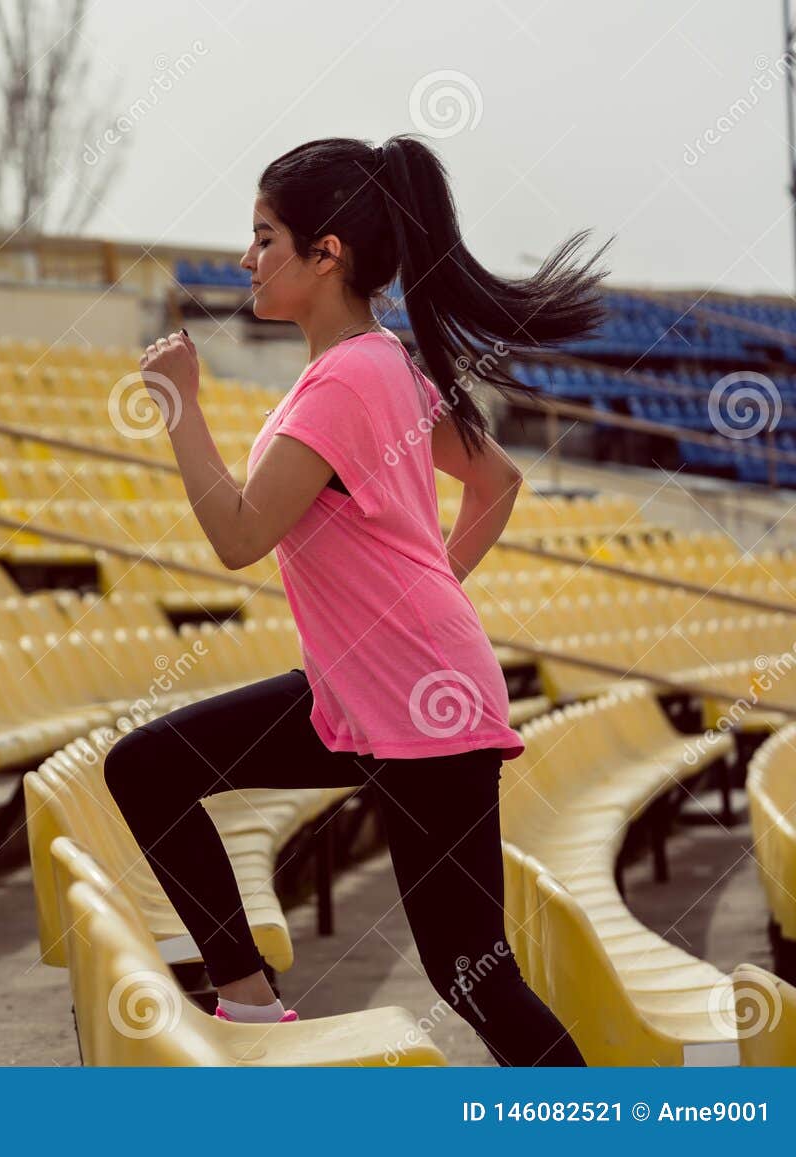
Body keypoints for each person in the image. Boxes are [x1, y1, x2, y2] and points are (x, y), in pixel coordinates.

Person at [103, 134, 607, 1066]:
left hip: (421, 708)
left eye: (264, 238)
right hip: (371, 696)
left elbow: (241, 536)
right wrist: (424, 600)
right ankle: (248, 1001)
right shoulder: (384, 363)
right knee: (149, 768)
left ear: (326, 252)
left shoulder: (347, 381)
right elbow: (497, 480)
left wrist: (179, 406)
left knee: (471, 972)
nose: (245, 261)